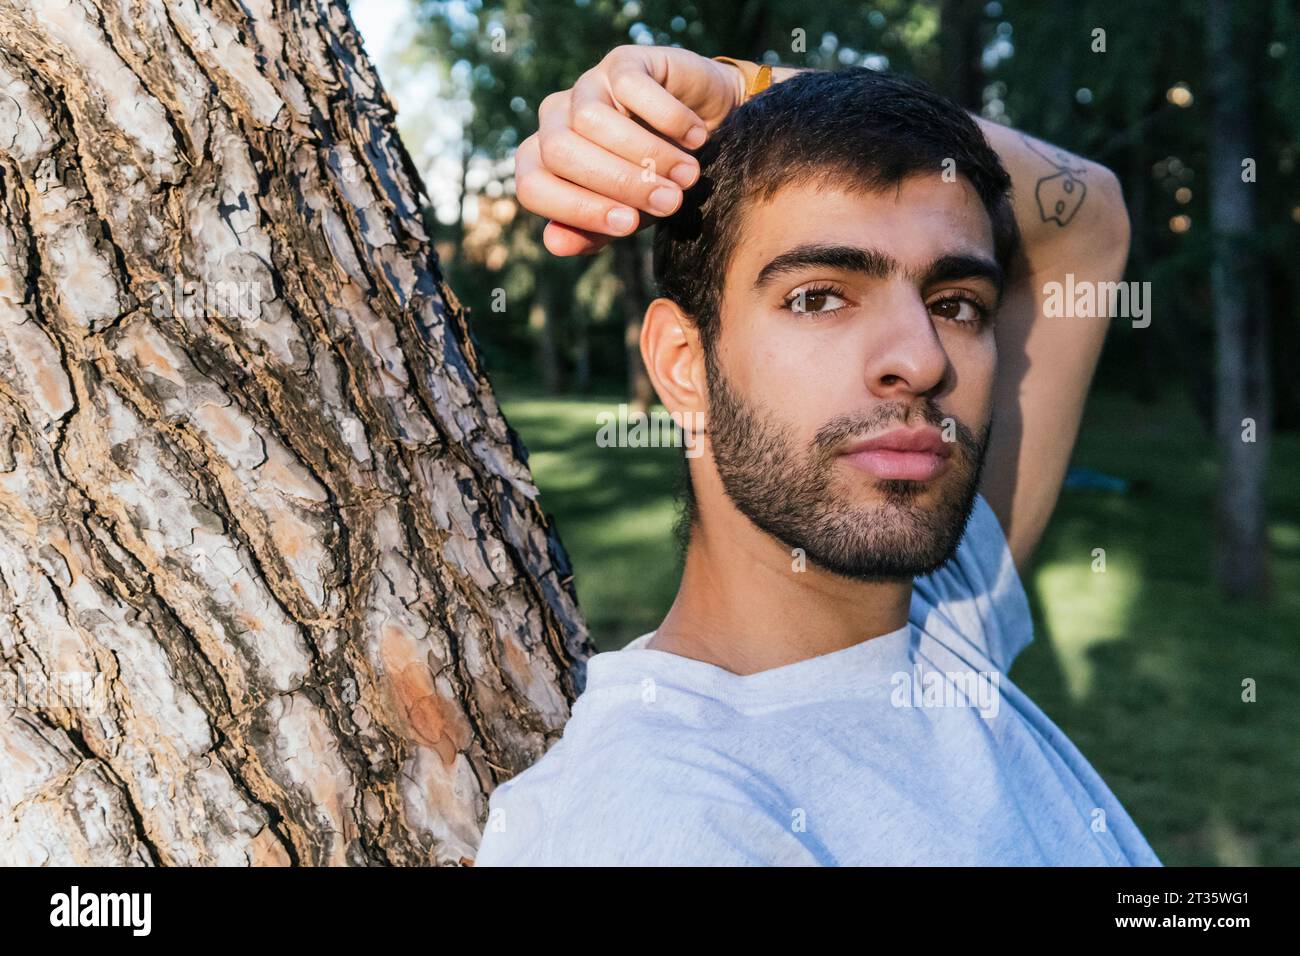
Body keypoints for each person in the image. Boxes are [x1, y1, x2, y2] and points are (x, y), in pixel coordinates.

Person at [474, 46, 1161, 866]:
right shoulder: (660, 820)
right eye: (818, 296)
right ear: (683, 365)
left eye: (956, 303)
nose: (922, 358)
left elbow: (1090, 219)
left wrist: (740, 93)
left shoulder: (939, 620)